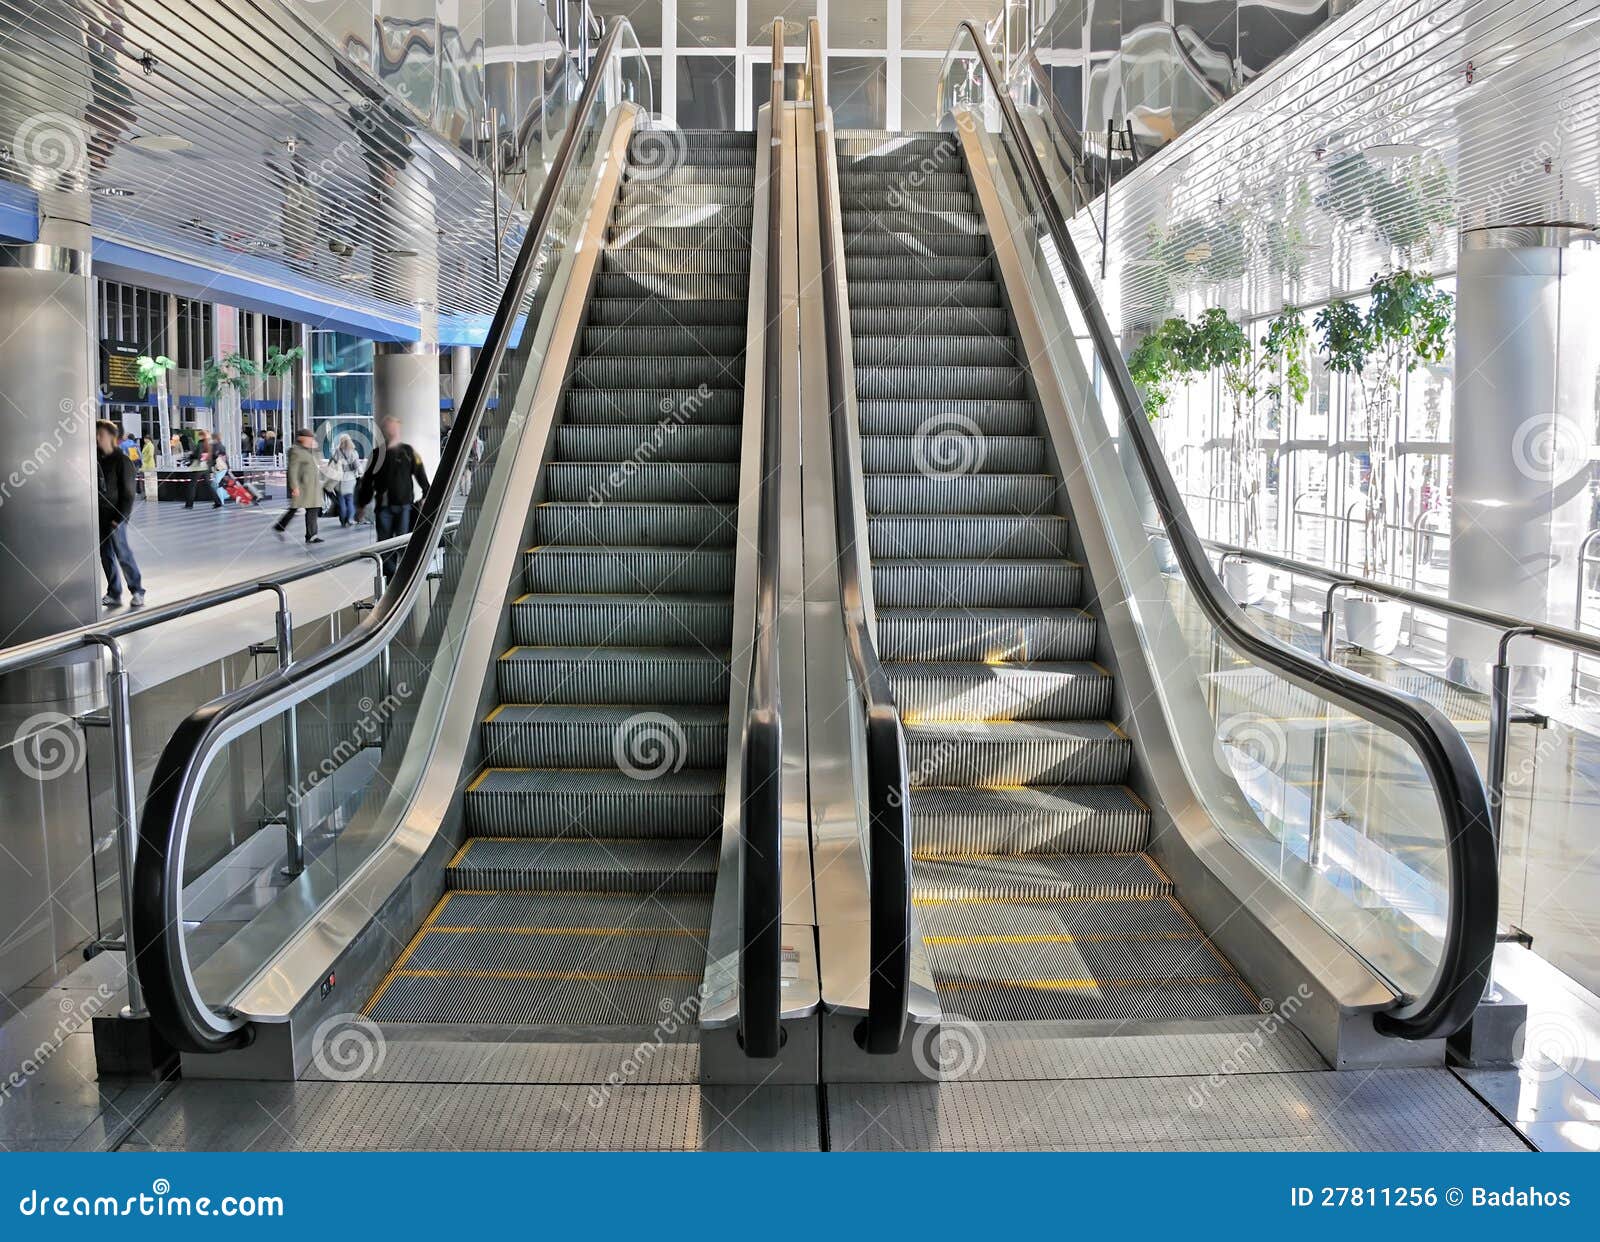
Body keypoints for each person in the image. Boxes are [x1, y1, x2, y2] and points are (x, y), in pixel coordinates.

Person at [357, 415, 429, 572]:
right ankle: (389, 577)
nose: (393, 430)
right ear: (384, 431)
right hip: (384, 508)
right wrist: (362, 505)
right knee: (385, 544)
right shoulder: (376, 455)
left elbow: (421, 474)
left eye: (395, 427)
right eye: (390, 427)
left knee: (403, 541)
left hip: (404, 506)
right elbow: (367, 482)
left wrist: (426, 495)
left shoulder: (409, 452)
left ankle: (405, 574)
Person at [95, 420, 145, 608]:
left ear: (112, 437)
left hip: (116, 517)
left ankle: (137, 590)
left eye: (101, 434)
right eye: (96, 435)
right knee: (105, 555)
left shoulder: (123, 461)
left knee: (122, 553)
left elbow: (129, 493)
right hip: (99, 515)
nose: (98, 438)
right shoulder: (97, 461)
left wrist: (121, 517)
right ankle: (114, 593)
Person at [274, 427, 324, 544]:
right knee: (295, 508)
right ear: (301, 438)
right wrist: (294, 486)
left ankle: (311, 535)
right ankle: (280, 526)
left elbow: (319, 461)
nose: (311, 440)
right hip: (303, 486)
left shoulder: (310, 450)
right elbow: (293, 470)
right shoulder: (296, 451)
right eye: (309, 438)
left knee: (311, 508)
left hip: (312, 486)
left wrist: (315, 449)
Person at [184, 429, 222, 509]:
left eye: (200, 435)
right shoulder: (211, 444)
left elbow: (198, 455)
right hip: (207, 467)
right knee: (209, 485)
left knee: (192, 485)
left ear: (202, 436)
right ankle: (218, 502)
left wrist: (191, 456)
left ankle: (189, 504)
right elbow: (215, 455)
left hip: (199, 467)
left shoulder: (201, 443)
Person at [331, 432, 362, 527]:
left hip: (339, 480)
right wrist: (360, 472)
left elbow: (332, 465)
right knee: (350, 501)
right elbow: (357, 466)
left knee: (341, 502)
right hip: (350, 480)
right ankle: (350, 519)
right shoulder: (353, 452)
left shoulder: (336, 452)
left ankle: (343, 520)